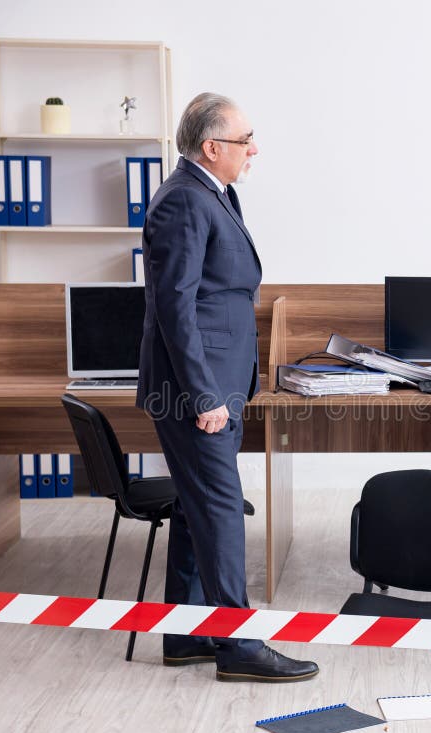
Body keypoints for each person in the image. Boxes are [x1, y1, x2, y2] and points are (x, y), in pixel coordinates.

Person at [136, 92, 318, 682]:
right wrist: (204, 395)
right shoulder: (184, 201)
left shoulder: (214, 194)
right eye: (246, 140)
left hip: (220, 384)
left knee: (197, 510)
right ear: (212, 148)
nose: (254, 149)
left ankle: (188, 636)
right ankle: (239, 647)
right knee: (220, 510)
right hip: (198, 393)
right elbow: (174, 307)